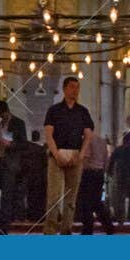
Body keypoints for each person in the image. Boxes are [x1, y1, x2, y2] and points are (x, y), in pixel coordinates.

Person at [43, 75, 95, 234]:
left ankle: (66, 229)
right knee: (53, 196)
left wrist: (81, 154)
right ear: (65, 89)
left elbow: (88, 135)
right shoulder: (54, 110)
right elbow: (48, 134)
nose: (75, 90)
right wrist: (56, 154)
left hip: (75, 155)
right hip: (56, 156)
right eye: (72, 87)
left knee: (71, 198)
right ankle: (50, 231)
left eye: (77, 87)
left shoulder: (83, 112)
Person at [0, 99, 28, 232]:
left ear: (7, 112)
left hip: (9, 164)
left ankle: (3, 229)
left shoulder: (18, 123)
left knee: (6, 197)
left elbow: (24, 144)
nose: (1, 119)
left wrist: (10, 144)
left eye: (3, 116)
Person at [76, 128, 115, 234]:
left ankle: (88, 229)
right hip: (99, 174)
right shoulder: (102, 141)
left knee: (86, 203)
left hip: (89, 174)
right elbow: (106, 160)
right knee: (95, 202)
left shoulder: (87, 140)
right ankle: (108, 226)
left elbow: (86, 159)